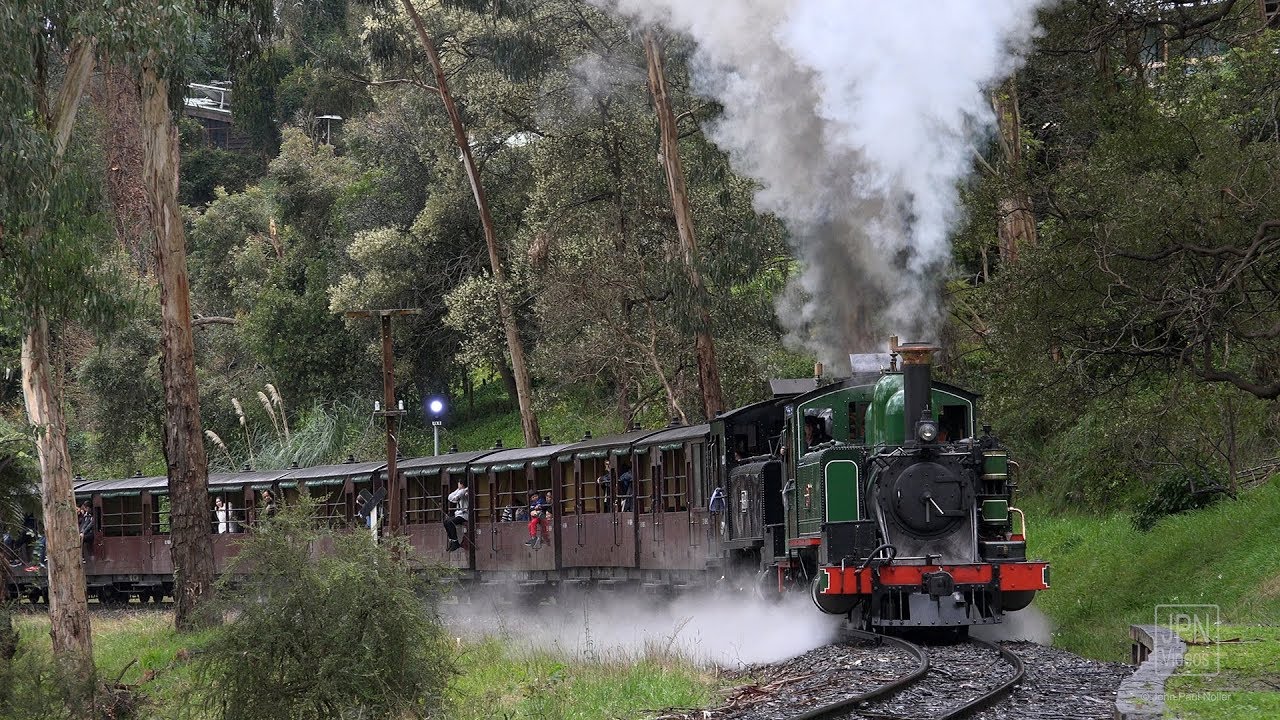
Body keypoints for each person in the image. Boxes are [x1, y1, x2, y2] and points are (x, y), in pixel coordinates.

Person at [444, 478, 469, 552]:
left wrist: (459, 491)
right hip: (459, 514)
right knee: (446, 522)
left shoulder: (465, 491)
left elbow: (455, 498)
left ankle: (455, 542)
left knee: (450, 522)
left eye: (458, 483)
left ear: (461, 484)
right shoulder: (460, 490)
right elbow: (450, 497)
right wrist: (458, 490)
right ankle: (452, 540)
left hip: (465, 514)